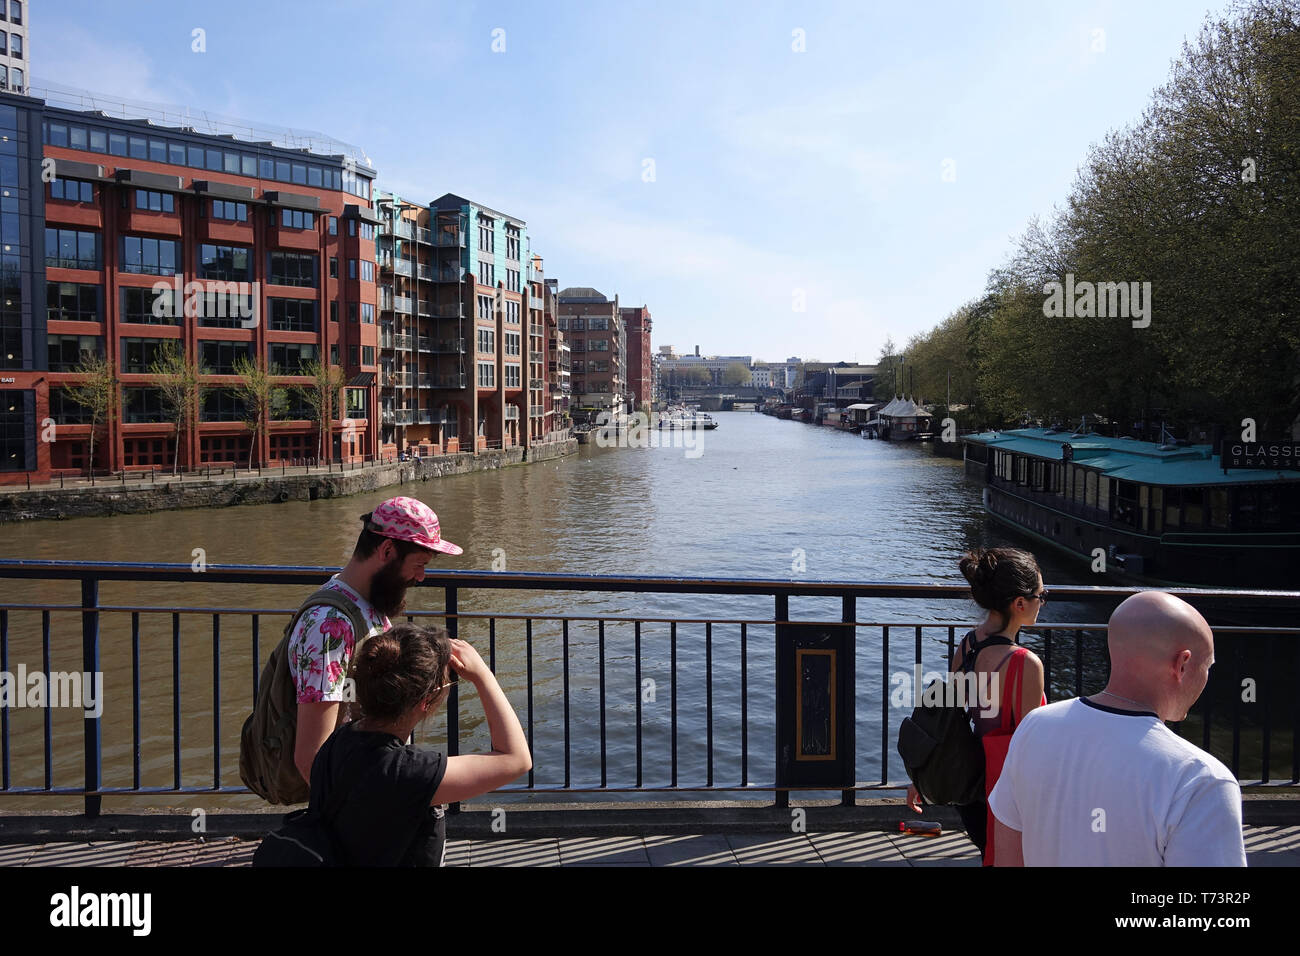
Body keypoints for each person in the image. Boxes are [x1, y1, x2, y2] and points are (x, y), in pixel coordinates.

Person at [989, 591, 1246, 866]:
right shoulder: (1200, 780)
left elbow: (1008, 857)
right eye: (1206, 665)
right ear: (1182, 664)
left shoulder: (1035, 727)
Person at [306, 623, 531, 866]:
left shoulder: (336, 742)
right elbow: (516, 759)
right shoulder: (408, 773)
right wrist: (482, 674)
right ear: (426, 701)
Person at [288, 496, 462, 787]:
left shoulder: (363, 603)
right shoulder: (330, 626)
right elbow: (311, 757)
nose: (421, 577)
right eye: (419, 564)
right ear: (387, 550)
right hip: (352, 805)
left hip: (365, 786)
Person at [906, 546, 1046, 865]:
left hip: (972, 789)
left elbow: (946, 720)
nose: (1043, 602)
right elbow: (1030, 746)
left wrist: (919, 777)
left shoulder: (968, 645)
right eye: (1041, 595)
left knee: (988, 854)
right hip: (1008, 796)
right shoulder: (1025, 664)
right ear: (1020, 603)